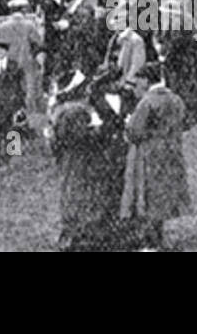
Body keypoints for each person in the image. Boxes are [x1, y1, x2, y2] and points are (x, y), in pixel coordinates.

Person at [47, 67, 136, 251]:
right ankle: (79, 237)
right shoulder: (76, 111)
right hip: (80, 161)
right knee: (81, 197)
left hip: (72, 161)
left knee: (74, 196)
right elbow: (81, 138)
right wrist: (97, 129)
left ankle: (76, 235)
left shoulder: (63, 110)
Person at [120, 63, 191, 251]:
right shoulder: (176, 99)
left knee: (148, 196)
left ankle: (151, 243)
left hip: (150, 153)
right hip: (172, 151)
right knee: (164, 195)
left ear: (145, 79)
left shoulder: (147, 102)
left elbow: (134, 131)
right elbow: (186, 123)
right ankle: (159, 238)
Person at [0, 38, 27, 166]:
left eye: (2, 50)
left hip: (11, 103)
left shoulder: (15, 66)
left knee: (12, 130)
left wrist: (20, 105)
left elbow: (20, 87)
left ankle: (11, 158)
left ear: (6, 51)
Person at [0, 0, 44, 111]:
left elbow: (0, 45)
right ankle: (28, 109)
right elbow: (38, 42)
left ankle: (11, 108)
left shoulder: (3, 26)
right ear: (23, 10)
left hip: (10, 60)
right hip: (26, 59)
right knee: (29, 86)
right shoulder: (29, 25)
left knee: (11, 86)